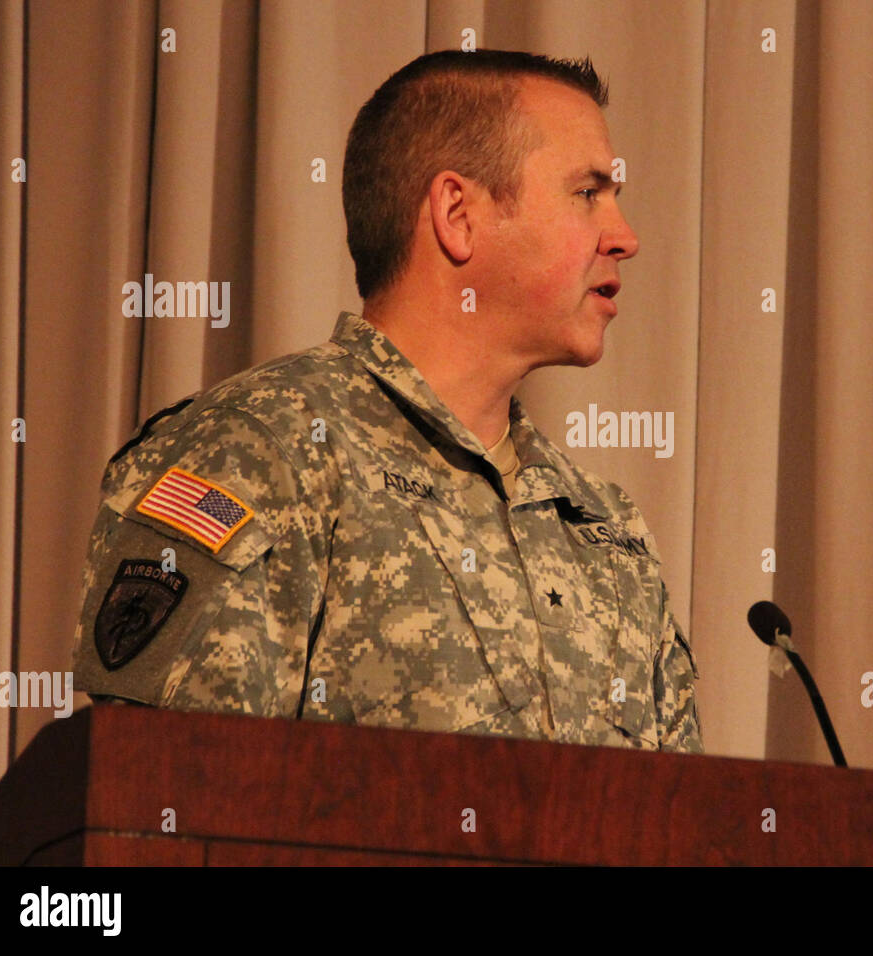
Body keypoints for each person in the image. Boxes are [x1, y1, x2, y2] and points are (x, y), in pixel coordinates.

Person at [70, 49, 703, 753]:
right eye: (588, 193)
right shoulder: (257, 454)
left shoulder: (604, 529)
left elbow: (683, 826)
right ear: (457, 214)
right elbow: (170, 797)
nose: (626, 237)